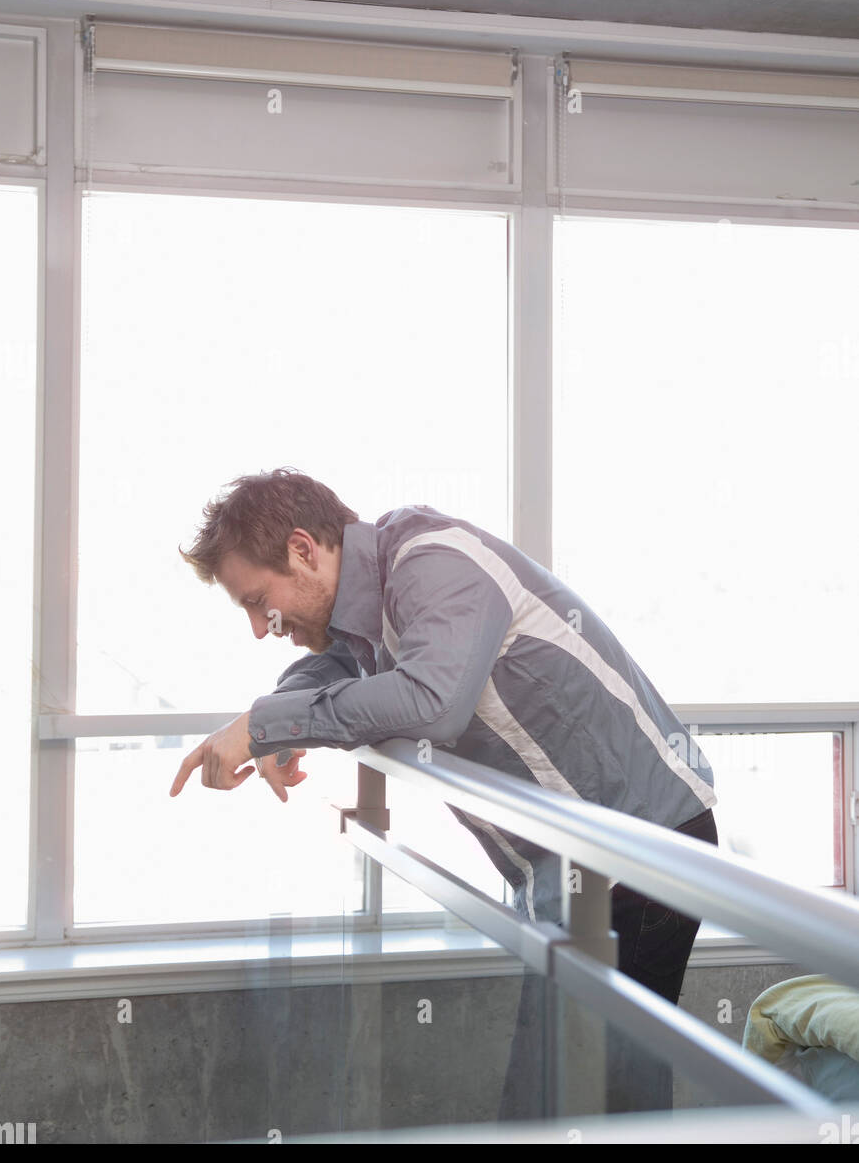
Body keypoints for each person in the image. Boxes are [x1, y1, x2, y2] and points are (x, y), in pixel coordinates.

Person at [171, 466, 718, 1116]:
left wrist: (264, 725)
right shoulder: (369, 611)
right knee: (554, 1102)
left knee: (591, 1104)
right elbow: (336, 669)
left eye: (258, 602)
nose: (261, 628)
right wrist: (274, 722)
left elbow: (433, 701)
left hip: (644, 850)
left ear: (302, 549)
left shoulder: (433, 563)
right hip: (572, 875)